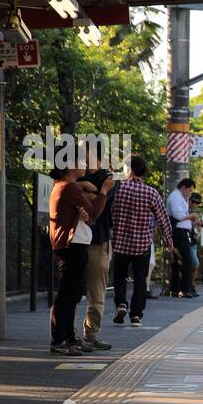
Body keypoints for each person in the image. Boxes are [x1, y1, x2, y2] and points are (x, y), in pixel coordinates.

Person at [49, 163, 113, 355]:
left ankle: (68, 337)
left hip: (74, 244)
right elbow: (94, 213)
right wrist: (103, 191)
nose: (85, 165)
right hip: (72, 246)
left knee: (73, 294)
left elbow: (87, 214)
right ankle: (59, 340)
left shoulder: (66, 187)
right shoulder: (68, 187)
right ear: (69, 166)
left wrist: (84, 209)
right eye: (80, 162)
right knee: (67, 295)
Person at [111, 155, 175, 326]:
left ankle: (121, 303)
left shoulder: (117, 189)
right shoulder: (151, 192)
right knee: (140, 278)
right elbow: (162, 219)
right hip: (142, 243)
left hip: (120, 242)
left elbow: (107, 213)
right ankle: (136, 315)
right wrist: (168, 241)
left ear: (129, 170)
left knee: (119, 275)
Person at [79, 147, 116, 351]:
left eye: (86, 156)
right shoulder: (78, 178)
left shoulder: (109, 179)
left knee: (97, 293)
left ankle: (90, 334)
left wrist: (86, 191)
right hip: (75, 242)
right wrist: (91, 191)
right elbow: (81, 196)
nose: (82, 161)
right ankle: (70, 336)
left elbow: (92, 201)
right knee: (72, 293)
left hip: (98, 241)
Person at [166, 178, 200, 298]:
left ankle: (175, 288)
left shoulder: (180, 197)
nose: (190, 193)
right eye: (189, 190)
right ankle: (185, 289)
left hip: (182, 231)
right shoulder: (175, 197)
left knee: (177, 261)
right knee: (187, 259)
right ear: (184, 188)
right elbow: (178, 215)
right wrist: (192, 216)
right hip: (178, 232)